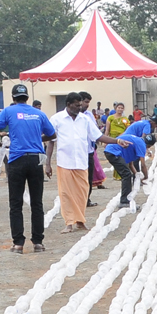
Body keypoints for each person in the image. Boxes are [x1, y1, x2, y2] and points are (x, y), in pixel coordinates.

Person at [0, 82, 55, 252]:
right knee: (37, 202)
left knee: (16, 203)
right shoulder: (39, 113)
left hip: (17, 159)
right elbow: (52, 134)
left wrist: (2, 145)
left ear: (13, 98)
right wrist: (36, 140)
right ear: (27, 97)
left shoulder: (8, 111)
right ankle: (38, 242)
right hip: (36, 160)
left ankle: (18, 243)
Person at [53, 94, 94, 232]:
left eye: (80, 104)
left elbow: (98, 136)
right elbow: (50, 139)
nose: (80, 107)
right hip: (65, 161)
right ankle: (69, 222)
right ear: (69, 104)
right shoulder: (57, 118)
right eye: (77, 105)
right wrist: (47, 163)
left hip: (82, 161)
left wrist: (117, 141)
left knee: (82, 193)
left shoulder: (85, 119)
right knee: (65, 193)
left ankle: (80, 221)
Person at [104, 113, 150, 209]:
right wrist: (145, 176)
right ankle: (124, 201)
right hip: (113, 152)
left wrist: (136, 175)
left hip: (110, 151)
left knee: (127, 174)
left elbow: (130, 164)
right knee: (126, 175)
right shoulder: (141, 144)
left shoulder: (136, 141)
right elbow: (143, 165)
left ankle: (125, 200)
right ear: (148, 145)